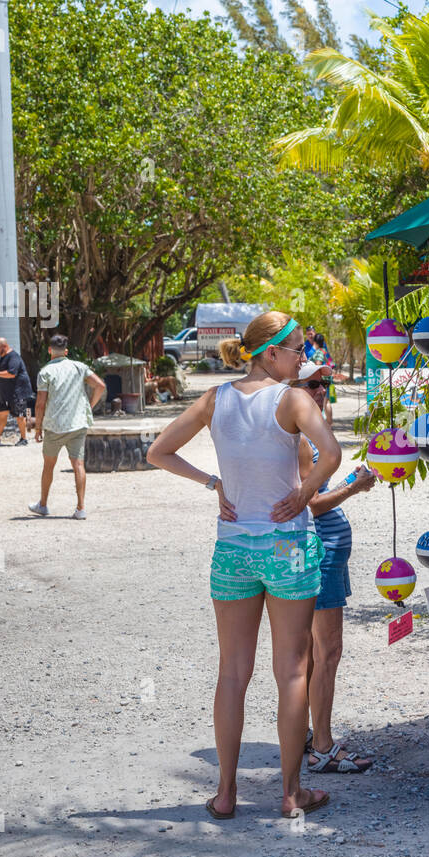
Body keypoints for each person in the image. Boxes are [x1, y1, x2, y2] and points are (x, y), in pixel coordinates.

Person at [146, 312, 340, 820]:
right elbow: (332, 454)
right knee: (293, 671)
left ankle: (227, 792)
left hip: (233, 547)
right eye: (298, 349)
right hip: (287, 547)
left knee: (232, 673)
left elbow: (158, 452)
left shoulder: (216, 399)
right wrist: (302, 495)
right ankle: (291, 793)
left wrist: (214, 485)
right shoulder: (292, 399)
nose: (305, 358)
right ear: (271, 352)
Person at [289, 362, 379, 774]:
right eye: (312, 383)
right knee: (327, 652)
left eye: (323, 383)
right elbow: (311, 504)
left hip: (321, 553)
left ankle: (308, 734)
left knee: (312, 653)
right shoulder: (303, 441)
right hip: (318, 552)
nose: (321, 389)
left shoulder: (306, 433)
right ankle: (323, 746)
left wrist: (345, 481)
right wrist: (354, 487)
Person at [30, 335, 106, 519]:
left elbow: (40, 403)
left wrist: (38, 427)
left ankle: (43, 505)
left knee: (49, 466)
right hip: (77, 424)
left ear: (49, 350)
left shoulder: (45, 372)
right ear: (66, 351)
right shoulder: (79, 367)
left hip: (54, 426)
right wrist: (89, 405)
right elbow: (100, 385)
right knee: (78, 465)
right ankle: (80, 508)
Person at [0, 337, 33, 446]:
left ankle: (24, 438)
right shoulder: (4, 357)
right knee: (2, 414)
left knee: (20, 416)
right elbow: (4, 371)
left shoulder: (13, 357)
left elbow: (12, 373)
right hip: (7, 392)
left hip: (17, 392)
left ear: (5, 346)